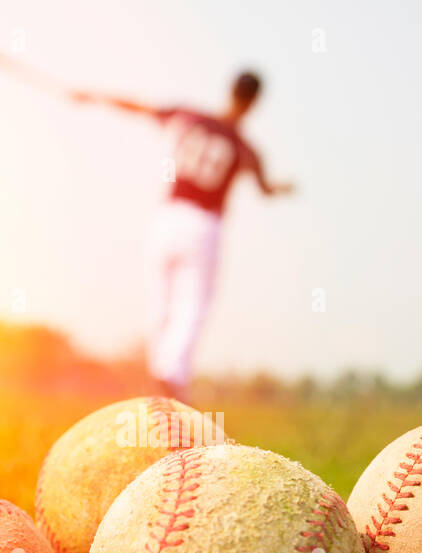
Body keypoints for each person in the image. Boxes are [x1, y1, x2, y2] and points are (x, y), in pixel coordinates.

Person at [71, 71, 294, 400]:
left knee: (160, 300)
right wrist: (281, 189)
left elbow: (138, 107)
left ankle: (157, 372)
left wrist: (95, 95)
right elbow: (264, 189)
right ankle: (171, 375)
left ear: (230, 89)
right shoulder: (245, 148)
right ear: (254, 102)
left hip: (167, 218)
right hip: (204, 226)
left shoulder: (191, 118)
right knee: (192, 304)